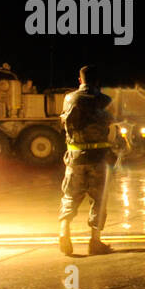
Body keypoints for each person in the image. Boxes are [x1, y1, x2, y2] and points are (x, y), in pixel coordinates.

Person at [58, 64, 115, 256]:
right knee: (99, 199)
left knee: (70, 196)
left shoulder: (69, 98)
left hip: (75, 156)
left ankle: (64, 231)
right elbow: (113, 130)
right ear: (98, 81)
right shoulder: (106, 100)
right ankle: (95, 242)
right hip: (99, 158)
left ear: (80, 80)